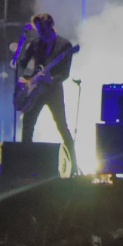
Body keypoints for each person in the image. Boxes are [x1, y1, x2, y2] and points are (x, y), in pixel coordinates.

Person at [15, 13, 79, 175]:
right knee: (28, 124)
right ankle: (25, 167)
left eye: (43, 29)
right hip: (35, 91)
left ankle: (73, 168)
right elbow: (22, 63)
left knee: (62, 126)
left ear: (51, 26)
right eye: (38, 29)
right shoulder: (36, 43)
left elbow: (65, 73)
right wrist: (24, 79)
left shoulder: (65, 46)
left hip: (53, 92)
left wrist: (52, 79)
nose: (40, 32)